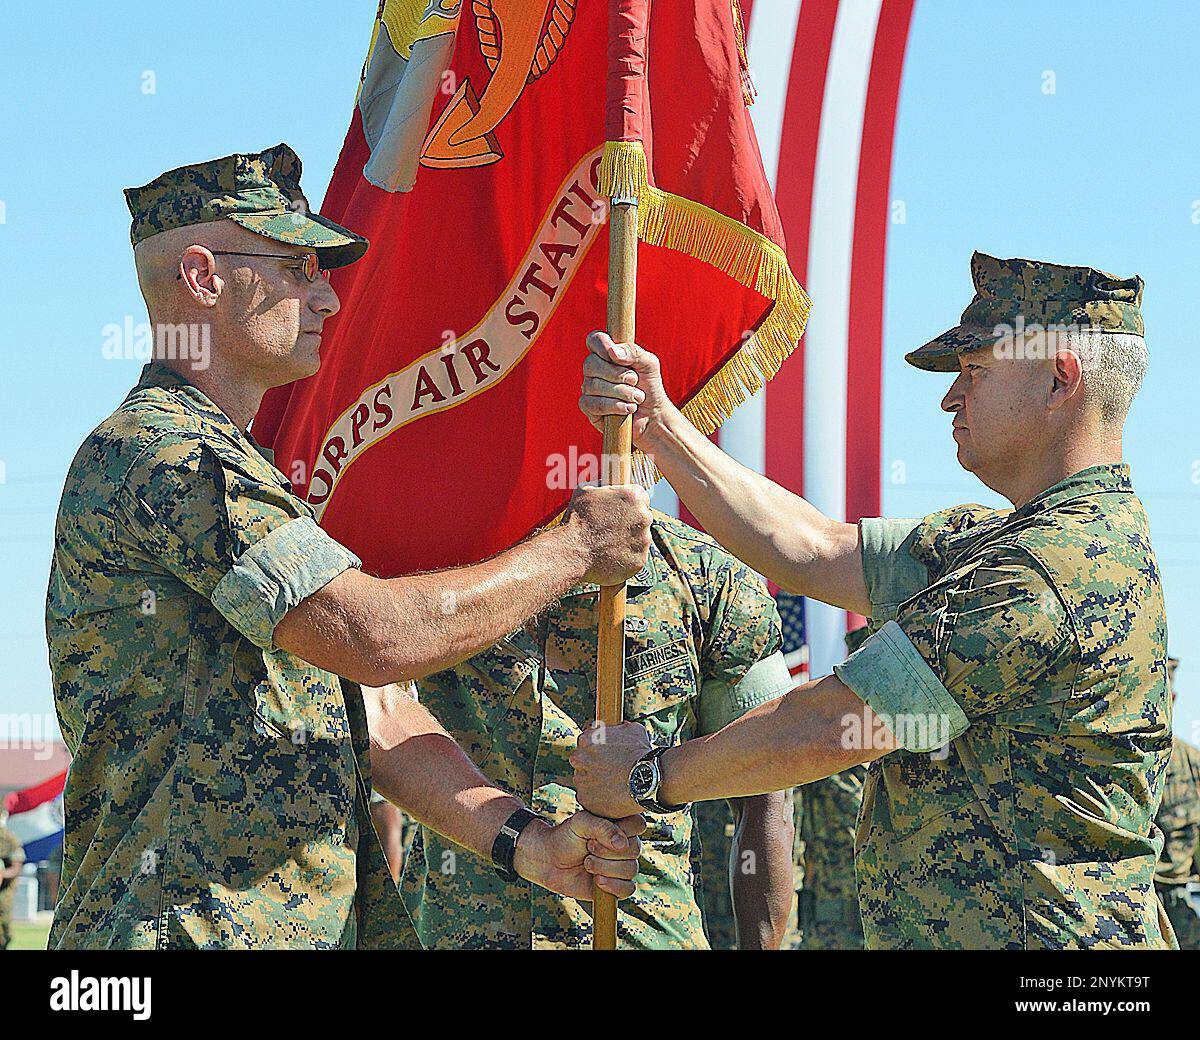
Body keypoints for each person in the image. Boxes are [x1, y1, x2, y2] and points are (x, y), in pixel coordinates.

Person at [46, 144, 650, 949]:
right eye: (297, 267)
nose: (327, 298)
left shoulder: (237, 466)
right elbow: (373, 638)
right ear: (202, 277)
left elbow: (368, 708)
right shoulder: (164, 457)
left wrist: (525, 842)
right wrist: (573, 549)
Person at [571, 251, 1175, 949]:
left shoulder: (1044, 572)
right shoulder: (1009, 545)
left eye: (974, 371)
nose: (951, 399)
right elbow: (812, 548)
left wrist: (649, 775)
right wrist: (660, 426)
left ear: (1058, 378)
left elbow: (833, 725)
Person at [401, 513, 795, 949]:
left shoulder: (708, 579)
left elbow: (765, 797)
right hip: (459, 927)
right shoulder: (432, 569)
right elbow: (376, 723)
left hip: (640, 929)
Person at [791, 627, 869, 950]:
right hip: (828, 931)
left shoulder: (915, 751)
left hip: (894, 926)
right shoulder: (827, 749)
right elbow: (791, 837)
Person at [1153, 657, 1200, 948]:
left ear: (1173, 698)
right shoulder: (1116, 761)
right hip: (1130, 897)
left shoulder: (1192, 763)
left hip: (1179, 899)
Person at [0, 812, 25, 950]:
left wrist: (3, 874)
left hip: (3, 892)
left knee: (4, 931)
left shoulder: (9, 840)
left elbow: (16, 868)